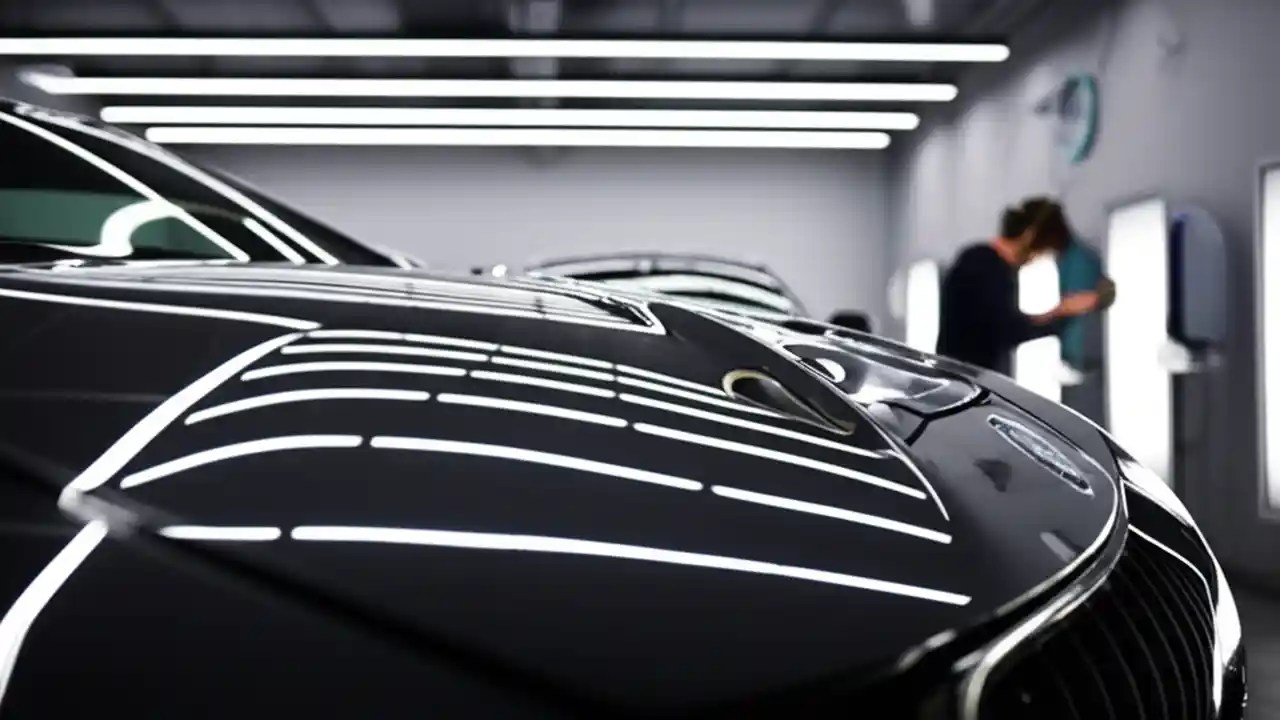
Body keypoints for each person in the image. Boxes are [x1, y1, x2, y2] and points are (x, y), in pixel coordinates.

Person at [936, 197, 1102, 374]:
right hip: (962, 377)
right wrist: (1061, 311)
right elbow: (1009, 330)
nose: (1039, 258)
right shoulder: (987, 266)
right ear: (1030, 236)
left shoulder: (983, 261)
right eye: (1045, 251)